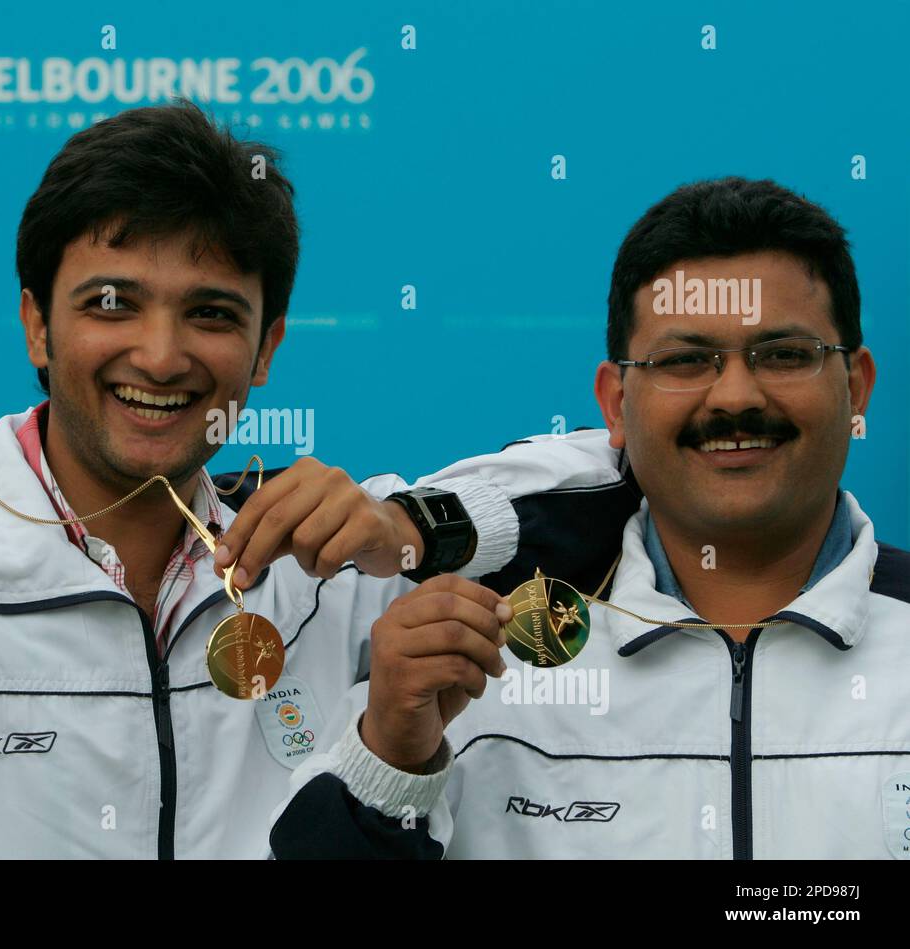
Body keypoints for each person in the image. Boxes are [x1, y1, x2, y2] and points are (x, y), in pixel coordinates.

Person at [0, 101, 629, 859]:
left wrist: (400, 526)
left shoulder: (330, 565)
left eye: (211, 314)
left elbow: (633, 470)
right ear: (33, 324)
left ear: (266, 347)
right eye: (111, 301)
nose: (160, 353)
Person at [269, 177, 910, 860]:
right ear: (615, 401)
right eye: (686, 360)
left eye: (783, 355)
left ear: (856, 385)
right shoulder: (480, 665)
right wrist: (390, 762)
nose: (734, 395)